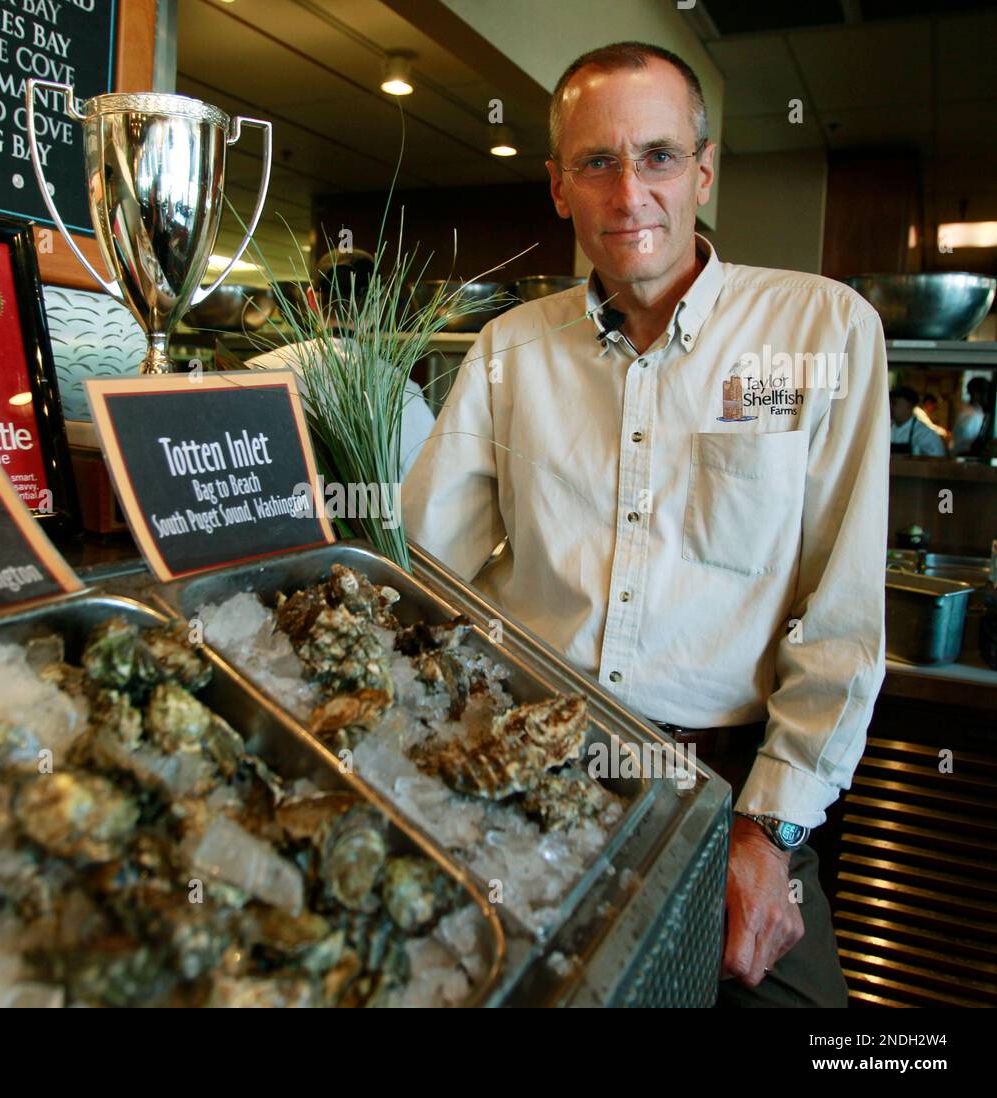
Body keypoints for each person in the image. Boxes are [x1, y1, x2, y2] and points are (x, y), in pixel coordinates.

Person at [402, 41, 889, 1007]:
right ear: (557, 188)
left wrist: (772, 833)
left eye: (659, 156)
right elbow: (426, 581)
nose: (630, 193)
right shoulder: (508, 349)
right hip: (534, 767)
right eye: (597, 162)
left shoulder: (822, 332)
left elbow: (839, 620)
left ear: (703, 171)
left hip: (728, 795)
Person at [245, 251, 436, 480]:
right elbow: (426, 485)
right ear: (377, 306)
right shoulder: (402, 390)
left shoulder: (256, 371)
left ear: (311, 301)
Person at [890, 387, 946, 456]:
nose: (890, 407)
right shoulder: (886, 430)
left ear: (909, 405)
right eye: (889, 403)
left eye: (894, 403)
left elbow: (936, 463)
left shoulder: (925, 434)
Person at [951, 377, 990, 456]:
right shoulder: (971, 416)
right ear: (977, 394)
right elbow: (965, 446)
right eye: (986, 393)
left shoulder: (974, 412)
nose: (988, 397)